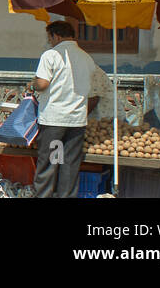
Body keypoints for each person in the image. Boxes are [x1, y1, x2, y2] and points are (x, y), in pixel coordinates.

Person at [28, 20, 101, 198]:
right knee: (69, 165)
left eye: (50, 38)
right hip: (76, 123)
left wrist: (33, 83)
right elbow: (94, 95)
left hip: (54, 121)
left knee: (50, 164)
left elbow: (43, 83)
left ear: (56, 36)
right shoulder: (87, 58)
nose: (50, 42)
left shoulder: (51, 55)